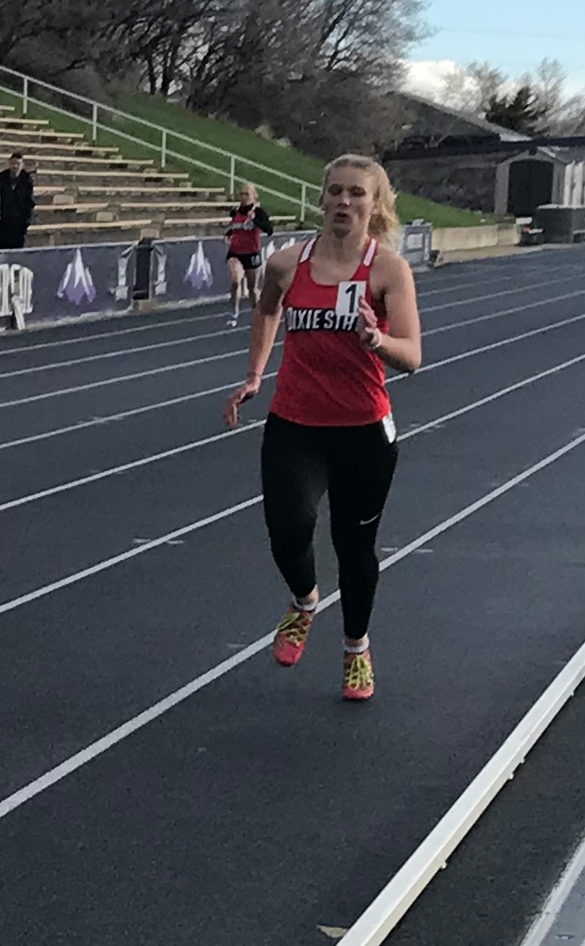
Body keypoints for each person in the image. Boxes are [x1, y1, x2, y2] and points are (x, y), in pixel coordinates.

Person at [220, 155, 421, 702]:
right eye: (335, 191)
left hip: (362, 430)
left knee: (354, 547)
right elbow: (266, 311)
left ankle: (356, 646)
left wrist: (377, 341)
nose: (344, 202)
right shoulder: (288, 263)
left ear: (374, 204)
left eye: (357, 193)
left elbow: (414, 355)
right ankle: (305, 601)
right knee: (288, 526)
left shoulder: (387, 270)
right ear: (321, 199)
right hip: (296, 423)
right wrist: (256, 374)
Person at [225, 183, 273, 327]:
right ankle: (234, 313)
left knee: (252, 288)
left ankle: (257, 315)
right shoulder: (235, 212)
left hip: (251, 254)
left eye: (247, 194)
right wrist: (227, 237)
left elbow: (269, 230)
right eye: (241, 194)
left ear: (254, 197)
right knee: (235, 281)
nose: (244, 197)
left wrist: (255, 220)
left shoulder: (258, 212)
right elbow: (231, 230)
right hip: (235, 253)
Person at [0, 152, 35, 249]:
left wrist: (26, 221)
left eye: (18, 164)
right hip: (2, 221)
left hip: (19, 222)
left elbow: (29, 201)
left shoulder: (27, 180)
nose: (15, 166)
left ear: (22, 165)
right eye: (13, 163)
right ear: (9, 163)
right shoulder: (0, 178)